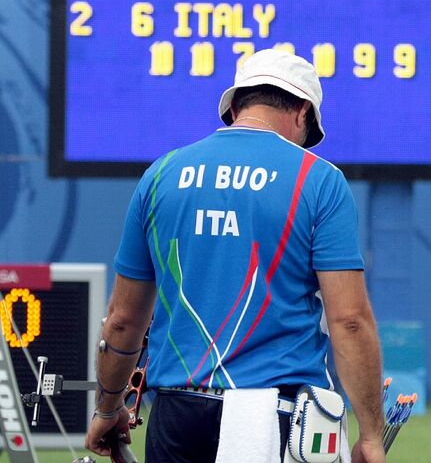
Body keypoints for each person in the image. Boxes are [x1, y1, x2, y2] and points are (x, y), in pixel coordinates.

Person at [85, 49, 387, 463]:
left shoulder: (161, 174)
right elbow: (349, 320)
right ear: (302, 112)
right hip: (274, 415)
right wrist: (371, 433)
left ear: (236, 105)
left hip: (175, 415)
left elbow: (122, 319)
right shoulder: (319, 180)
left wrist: (108, 406)